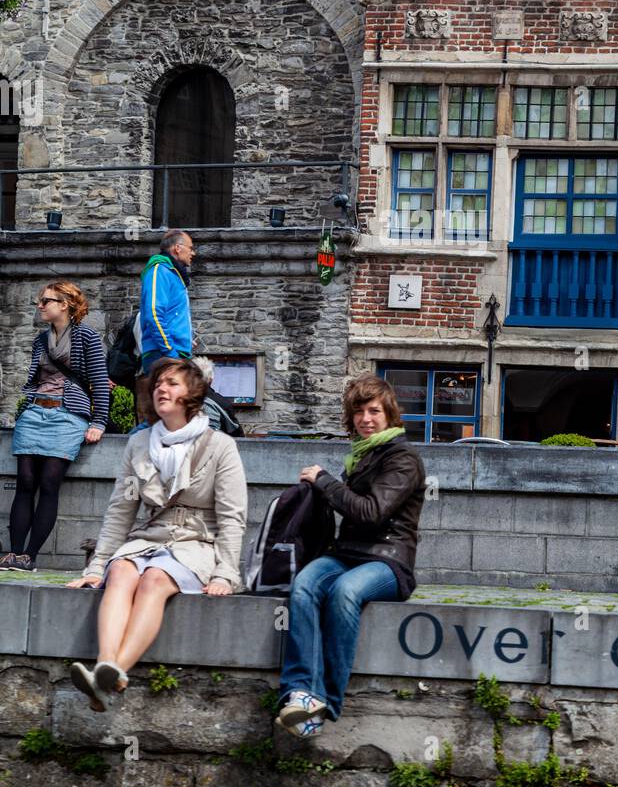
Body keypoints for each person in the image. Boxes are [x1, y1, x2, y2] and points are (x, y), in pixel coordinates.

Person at [64, 357, 247, 712]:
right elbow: (121, 508)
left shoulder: (220, 446)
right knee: (120, 572)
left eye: (173, 383)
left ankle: (116, 671)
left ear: (193, 393)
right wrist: (96, 566)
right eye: (158, 383)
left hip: (197, 540)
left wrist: (226, 573)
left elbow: (232, 515)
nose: (161, 388)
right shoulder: (139, 444)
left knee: (154, 579)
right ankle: (103, 666)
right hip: (150, 536)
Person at [275, 375, 426, 738]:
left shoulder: (403, 458)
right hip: (347, 553)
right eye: (358, 412)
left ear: (390, 415)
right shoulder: (361, 456)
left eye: (374, 411)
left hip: (389, 561)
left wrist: (325, 481)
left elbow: (371, 512)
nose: (365, 419)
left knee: (344, 592)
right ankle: (299, 693)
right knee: (305, 585)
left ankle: (325, 702)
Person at [0, 281, 109, 573]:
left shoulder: (86, 336)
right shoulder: (40, 339)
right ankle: (14, 554)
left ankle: (30, 557)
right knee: (24, 481)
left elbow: (99, 381)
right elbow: (35, 379)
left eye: (45, 301)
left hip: (67, 415)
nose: (40, 305)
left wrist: (98, 421)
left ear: (65, 305)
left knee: (49, 483)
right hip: (36, 412)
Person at [139, 231, 196, 373]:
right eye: (191, 248)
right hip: (163, 355)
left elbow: (172, 315)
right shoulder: (159, 270)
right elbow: (154, 314)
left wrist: (186, 339)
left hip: (173, 354)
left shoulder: (173, 274)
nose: (193, 253)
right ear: (178, 248)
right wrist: (171, 352)